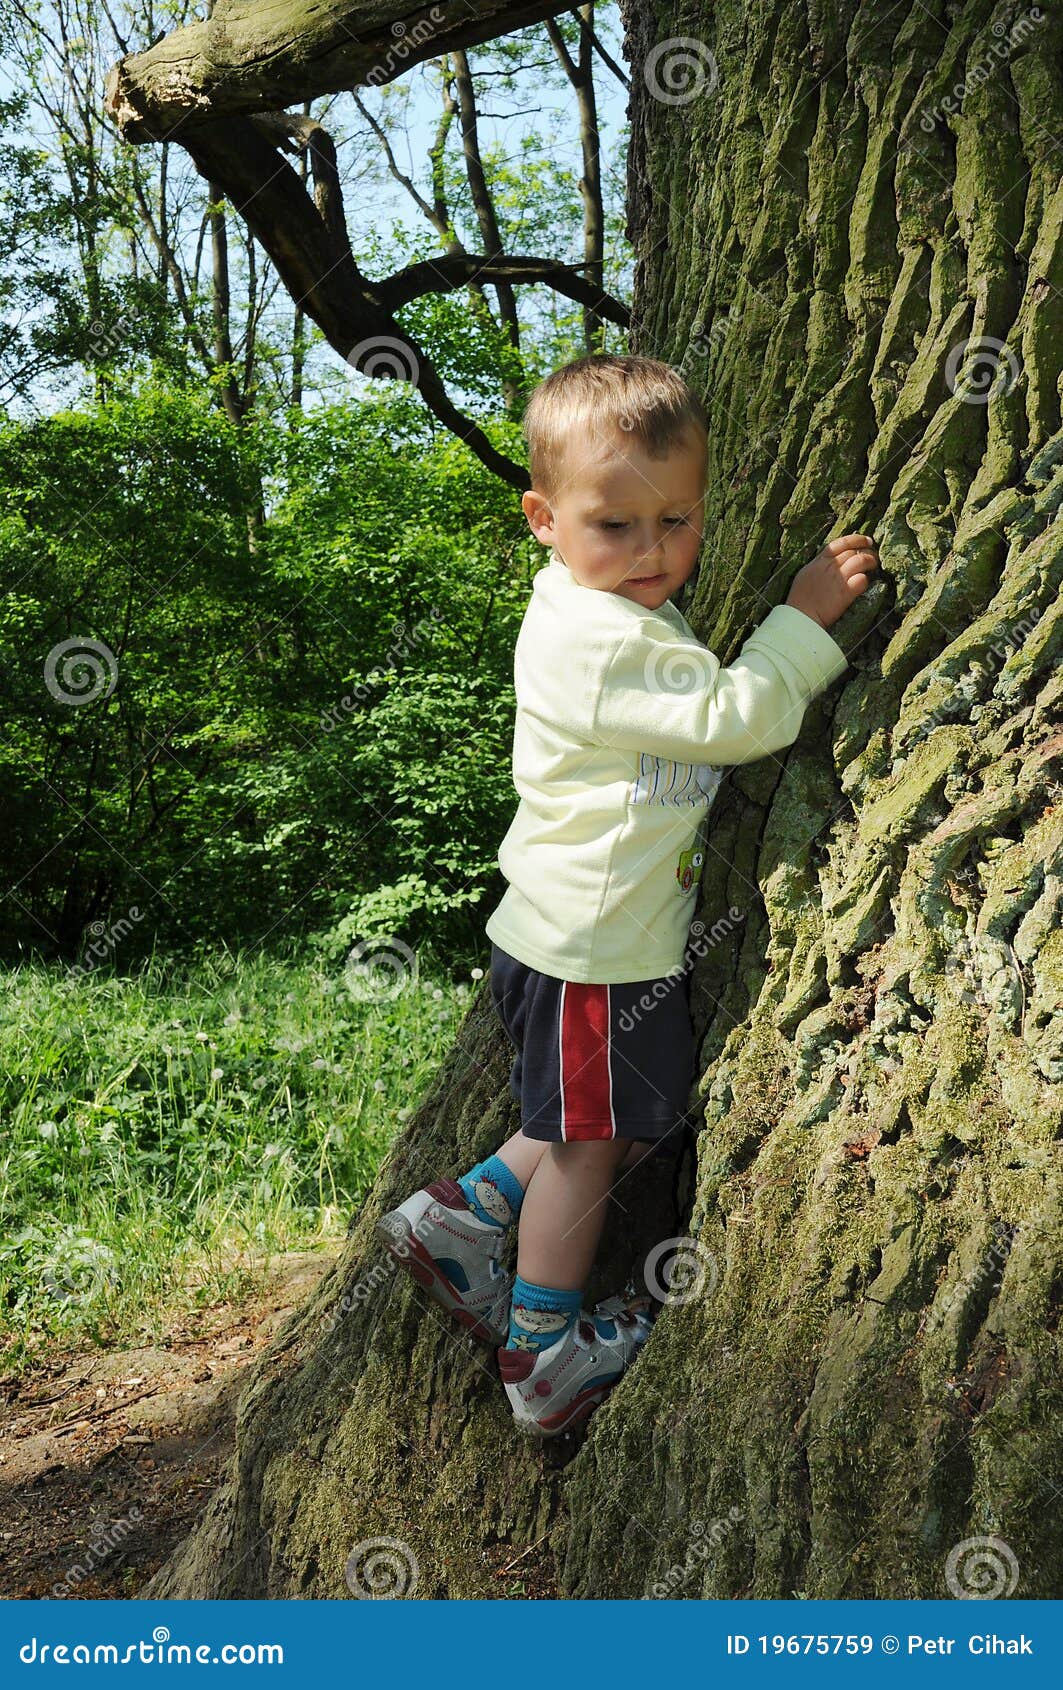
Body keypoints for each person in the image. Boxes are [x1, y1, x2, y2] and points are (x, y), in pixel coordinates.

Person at [377, 352, 879, 1437]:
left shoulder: (592, 605)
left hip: (578, 937)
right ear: (542, 519)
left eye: (676, 520)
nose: (652, 550)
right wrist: (802, 621)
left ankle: (463, 1218)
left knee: (590, 1119)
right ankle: (542, 1353)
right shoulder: (598, 640)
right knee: (591, 1143)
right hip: (592, 948)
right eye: (615, 524)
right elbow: (737, 719)